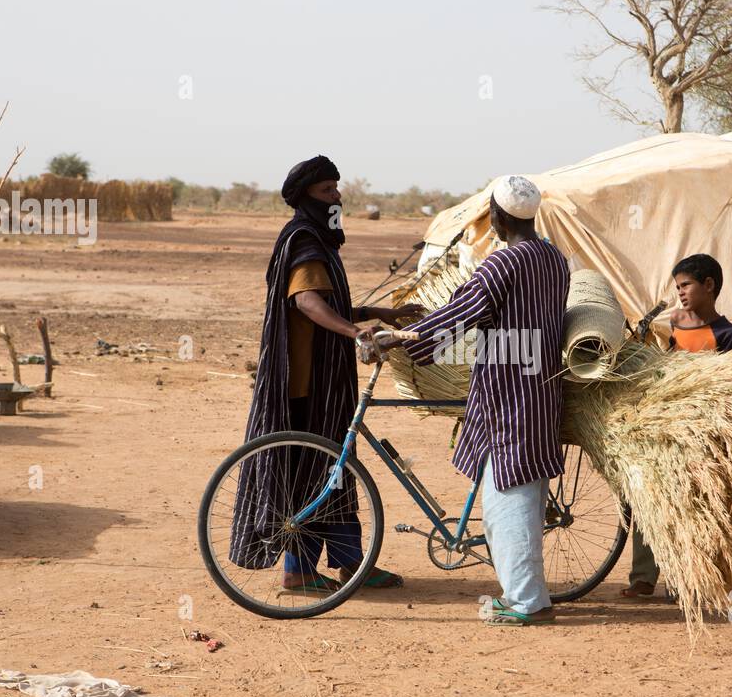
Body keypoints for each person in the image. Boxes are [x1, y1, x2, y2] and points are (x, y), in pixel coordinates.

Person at [367, 175, 569, 626]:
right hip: (539, 388)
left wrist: (402, 337)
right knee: (524, 494)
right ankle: (527, 593)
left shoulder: (503, 264)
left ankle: (526, 603)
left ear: (495, 216)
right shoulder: (552, 257)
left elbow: (463, 311)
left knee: (507, 501)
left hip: (509, 393)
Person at [231, 155, 420, 594]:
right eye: (326, 191)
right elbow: (307, 303)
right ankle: (309, 569)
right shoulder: (305, 240)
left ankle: (350, 564)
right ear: (304, 198)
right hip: (307, 383)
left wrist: (380, 313)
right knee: (317, 470)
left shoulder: (315, 239)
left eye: (336, 188)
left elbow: (324, 305)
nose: (336, 197)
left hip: (322, 379)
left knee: (329, 468)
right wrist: (355, 330)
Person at [621, 253, 732, 600]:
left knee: (693, 509)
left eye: (686, 285)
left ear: (709, 285)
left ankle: (691, 581)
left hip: (700, 435)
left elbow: (727, 387)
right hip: (667, 430)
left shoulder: (727, 334)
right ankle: (644, 577)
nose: (681, 293)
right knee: (648, 497)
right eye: (677, 287)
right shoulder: (680, 325)